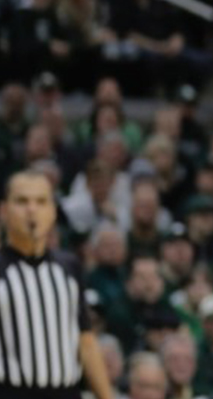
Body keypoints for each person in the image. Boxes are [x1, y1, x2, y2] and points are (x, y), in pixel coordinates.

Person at [0, 169, 115, 399]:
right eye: (22, 201)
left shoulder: (69, 266)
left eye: (41, 202)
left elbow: (86, 341)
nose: (32, 210)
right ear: (3, 210)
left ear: (52, 211)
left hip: (67, 392)